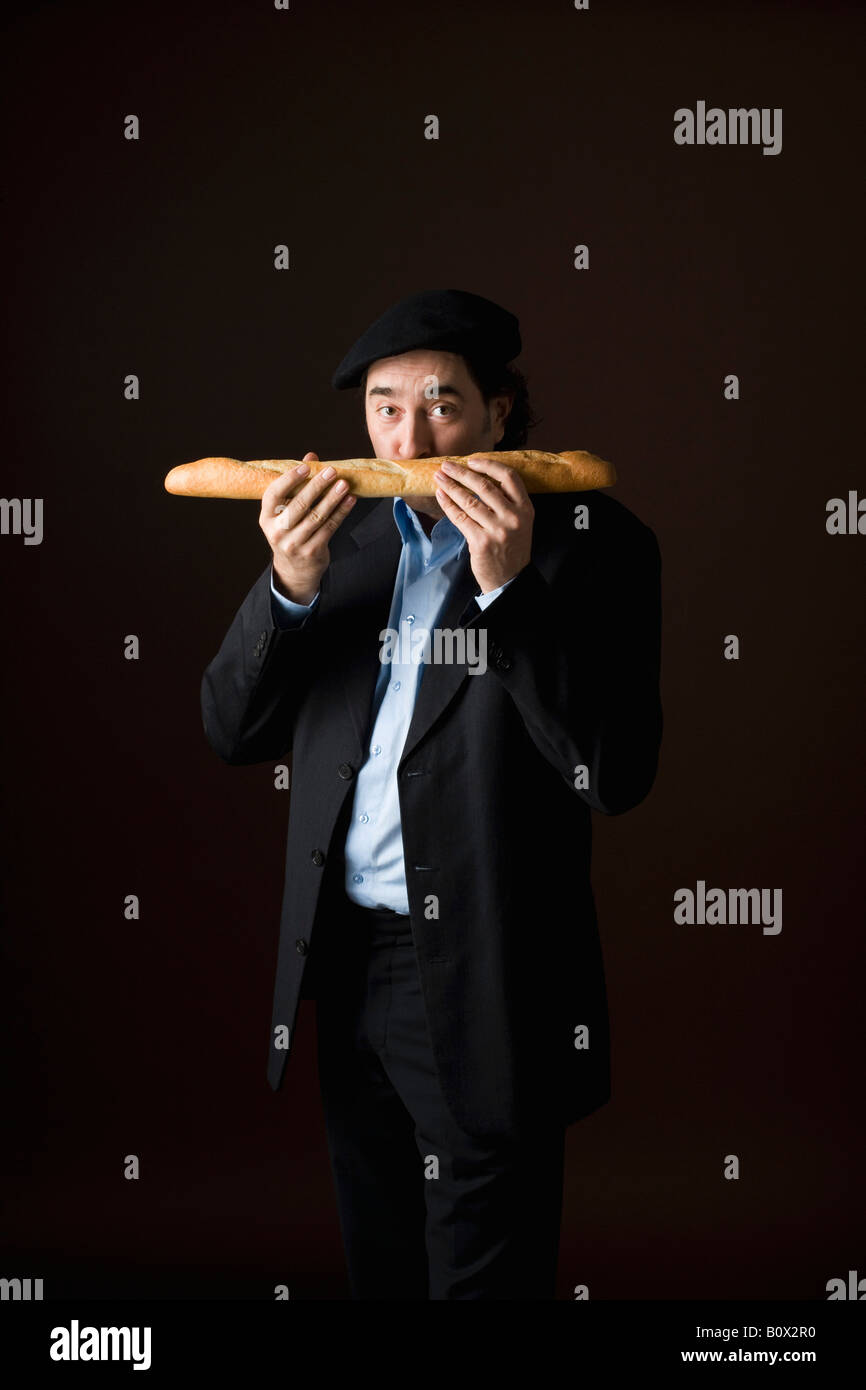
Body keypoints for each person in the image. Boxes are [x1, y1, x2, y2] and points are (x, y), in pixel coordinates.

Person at [200, 288, 663, 1300]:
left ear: (500, 411)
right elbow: (229, 730)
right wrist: (286, 584)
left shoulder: (594, 544)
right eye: (383, 405)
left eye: (441, 404)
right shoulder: (341, 546)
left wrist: (506, 593)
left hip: (486, 983)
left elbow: (613, 773)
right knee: (383, 1271)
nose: (408, 438)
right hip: (350, 965)